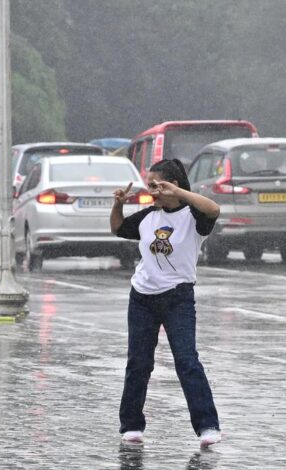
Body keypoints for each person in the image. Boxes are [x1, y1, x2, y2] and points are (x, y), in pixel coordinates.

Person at [110, 158, 221, 448]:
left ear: (174, 185)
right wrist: (119, 204)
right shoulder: (148, 217)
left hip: (178, 298)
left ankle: (207, 426)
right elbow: (118, 227)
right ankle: (131, 425)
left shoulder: (193, 217)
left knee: (187, 361)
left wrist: (180, 193)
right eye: (150, 186)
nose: (153, 192)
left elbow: (214, 209)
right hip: (142, 298)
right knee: (139, 362)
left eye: (158, 186)